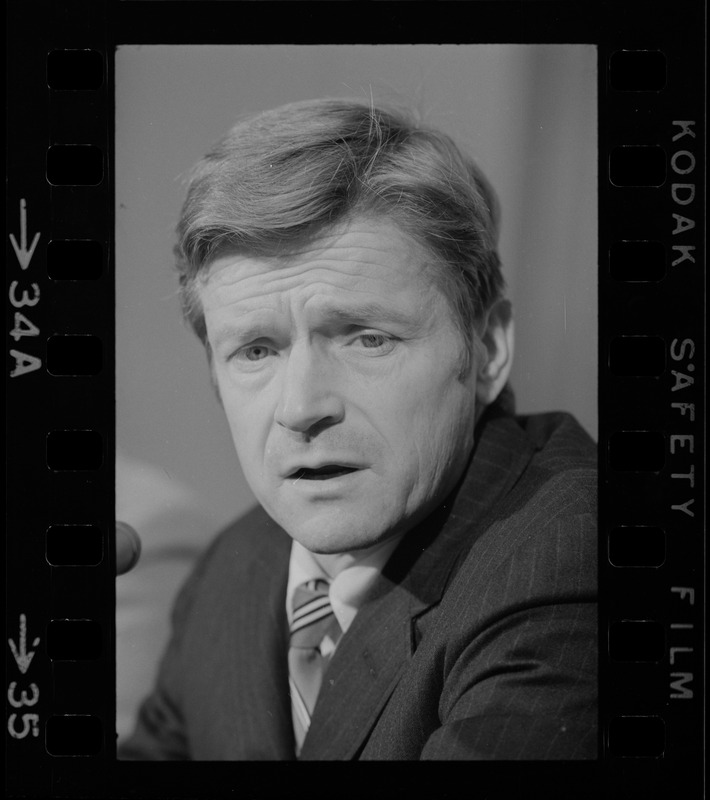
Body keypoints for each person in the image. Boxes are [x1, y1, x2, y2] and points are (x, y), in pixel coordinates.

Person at [119, 98, 597, 761]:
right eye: (256, 350)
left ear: (486, 349)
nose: (301, 406)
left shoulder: (573, 554)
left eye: (367, 338)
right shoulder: (236, 567)